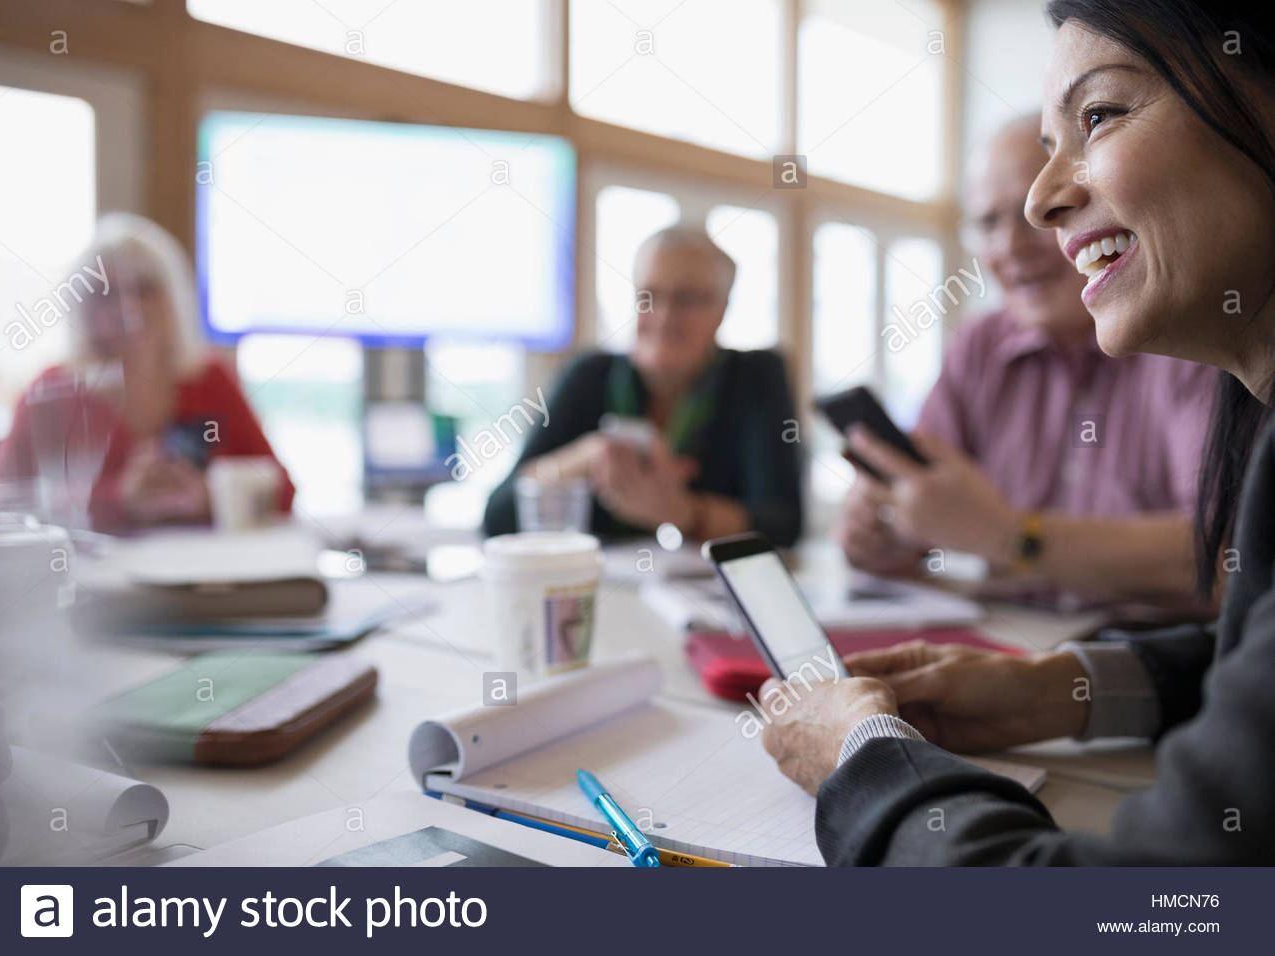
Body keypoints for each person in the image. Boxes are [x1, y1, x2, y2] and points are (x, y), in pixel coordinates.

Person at [763, 0, 1275, 865]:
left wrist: (866, 761)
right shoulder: (990, 347)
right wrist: (1065, 687)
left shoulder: (1195, 346)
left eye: (1100, 115)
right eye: (987, 219)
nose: (1040, 208)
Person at [839, 113, 1214, 609]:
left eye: (1036, 215)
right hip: (1005, 645)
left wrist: (1008, 534)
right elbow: (926, 512)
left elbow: (1227, 556)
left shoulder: (1188, 337)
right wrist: (882, 527)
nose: (1010, 247)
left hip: (1150, 663)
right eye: (988, 222)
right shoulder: (978, 346)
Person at [484, 226, 802, 546]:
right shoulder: (590, 375)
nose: (663, 316)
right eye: (648, 295)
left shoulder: (756, 376)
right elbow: (498, 514)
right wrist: (587, 457)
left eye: (685, 299)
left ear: (722, 309)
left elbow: (784, 523)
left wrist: (687, 513)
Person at [0, 213, 294, 532]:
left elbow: (283, 493)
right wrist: (118, 499)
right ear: (81, 307)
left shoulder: (209, 379)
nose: (128, 308)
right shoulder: (52, 391)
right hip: (92, 577)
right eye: (106, 294)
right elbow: (2, 506)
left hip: (206, 573)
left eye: (145, 289)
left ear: (173, 299)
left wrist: (209, 496)